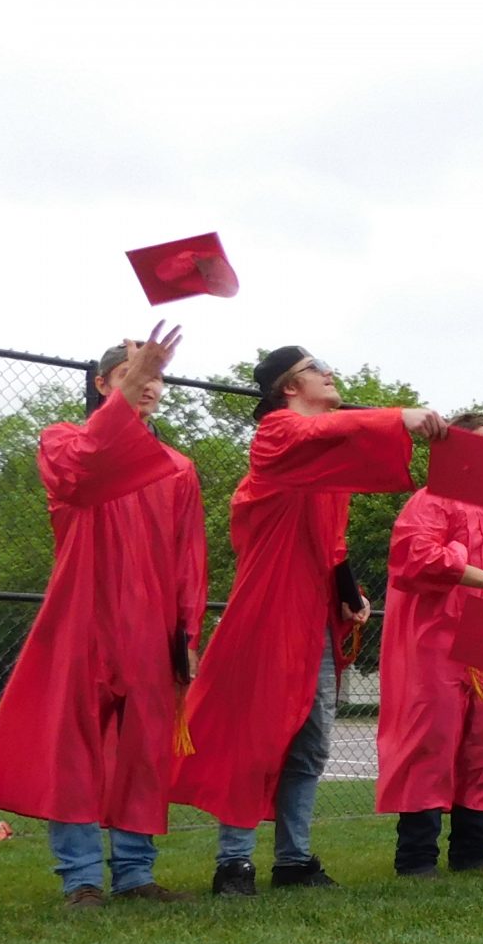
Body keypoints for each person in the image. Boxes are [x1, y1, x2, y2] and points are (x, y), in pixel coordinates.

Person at [171, 348, 446, 895]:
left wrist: (346, 594)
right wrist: (399, 418)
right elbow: (305, 439)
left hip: (312, 620)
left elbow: (332, 544)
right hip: (269, 617)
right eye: (315, 368)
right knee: (255, 734)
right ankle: (234, 863)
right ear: (287, 388)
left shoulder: (325, 469)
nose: (330, 372)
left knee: (311, 744)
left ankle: (293, 860)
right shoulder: (275, 435)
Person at [0, 325, 207, 905]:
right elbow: (85, 472)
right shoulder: (62, 441)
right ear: (102, 384)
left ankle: (135, 874)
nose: (149, 387)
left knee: (144, 751)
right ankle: (80, 880)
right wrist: (124, 398)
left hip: (151, 624)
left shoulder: (177, 467)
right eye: (133, 377)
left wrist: (187, 633)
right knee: (72, 748)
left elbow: (188, 556)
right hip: (82, 614)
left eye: (156, 378)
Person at [376, 410, 483, 877]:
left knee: (482, 743)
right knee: (430, 739)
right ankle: (416, 857)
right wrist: (480, 576)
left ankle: (472, 853)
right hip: (435, 637)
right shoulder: (431, 499)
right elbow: (416, 556)